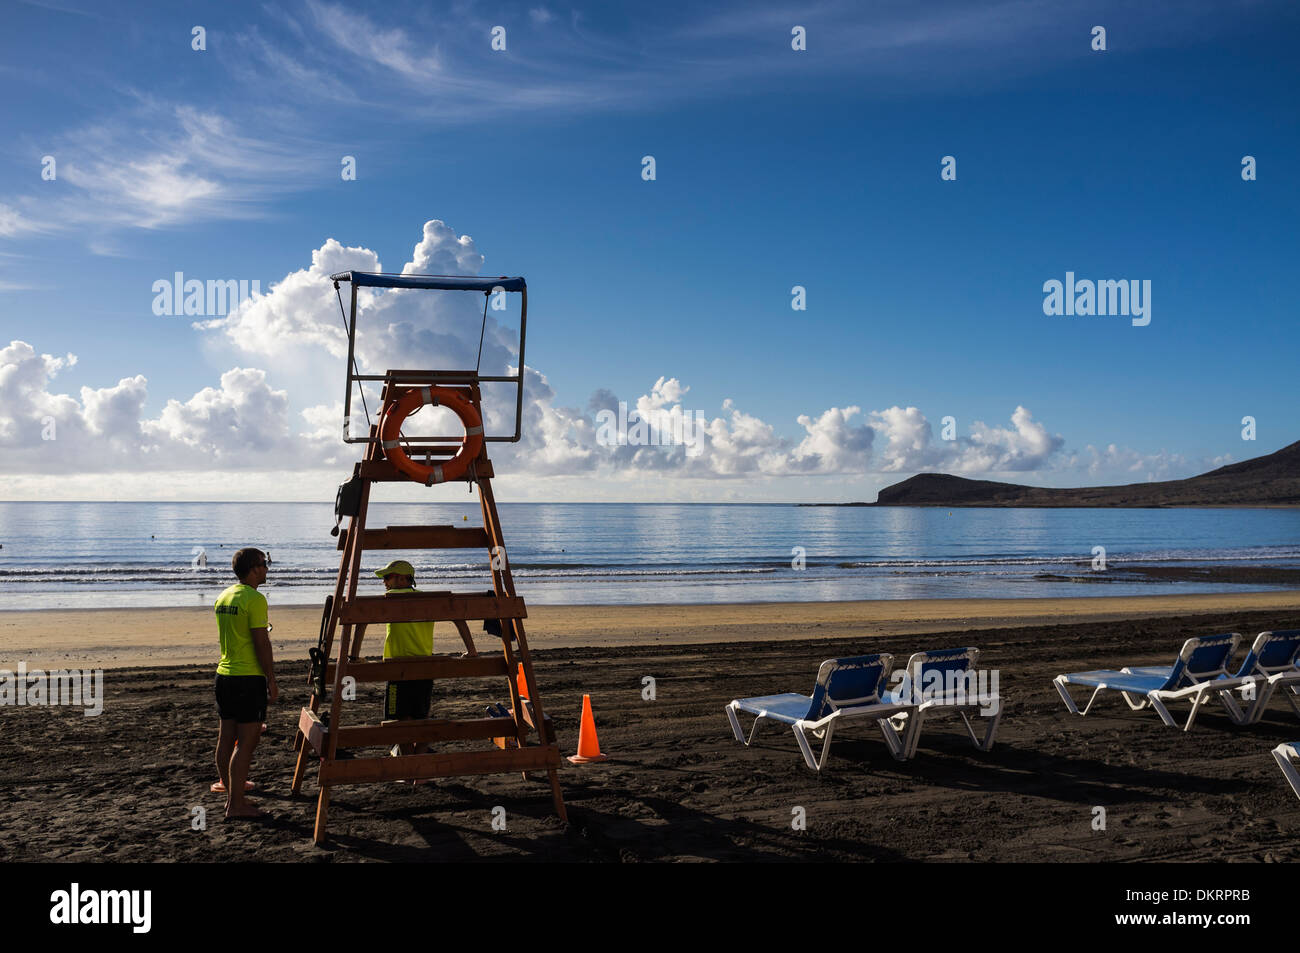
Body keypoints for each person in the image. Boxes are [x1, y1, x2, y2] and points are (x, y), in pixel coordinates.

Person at [377, 560, 477, 766]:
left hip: (398, 666)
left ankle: (409, 764)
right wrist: (471, 649)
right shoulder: (428, 599)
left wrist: (354, 656)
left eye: (388, 577)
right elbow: (457, 616)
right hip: (425, 666)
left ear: (403, 579)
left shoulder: (390, 598)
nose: (384, 582)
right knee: (420, 716)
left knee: (398, 720)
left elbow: (360, 619)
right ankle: (419, 761)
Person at [213, 547, 277, 818]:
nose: (267, 569)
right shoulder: (254, 599)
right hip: (247, 678)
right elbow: (261, 642)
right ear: (253, 568)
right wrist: (271, 679)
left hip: (224, 675)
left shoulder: (224, 596)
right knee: (247, 743)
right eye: (265, 564)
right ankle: (236, 804)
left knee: (227, 736)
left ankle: (232, 792)